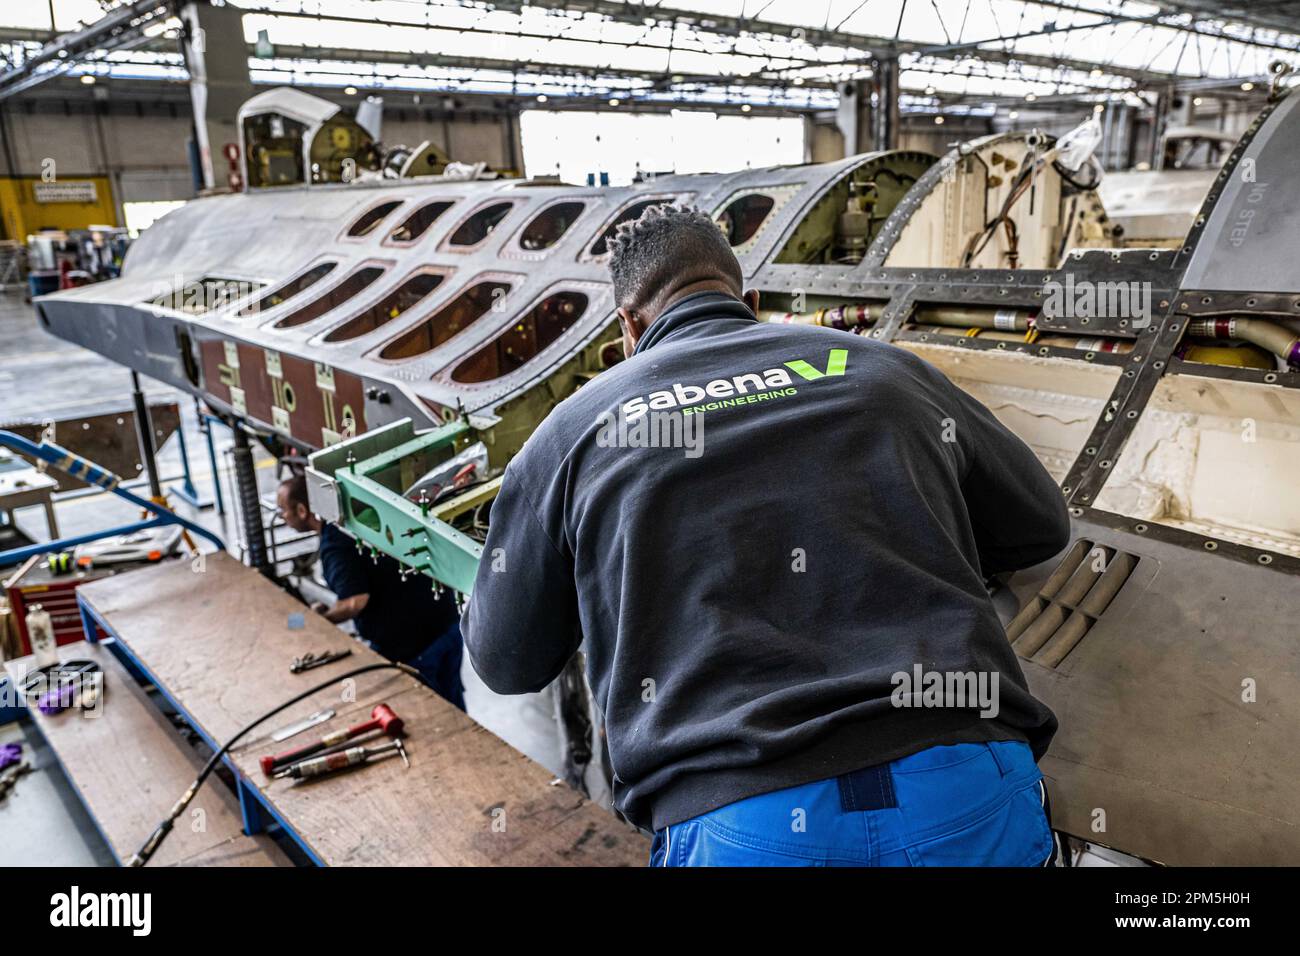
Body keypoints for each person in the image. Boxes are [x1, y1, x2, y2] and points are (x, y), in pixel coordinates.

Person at [460, 204, 1070, 866]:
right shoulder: (883, 370)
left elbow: (505, 659)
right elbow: (1041, 527)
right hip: (963, 781)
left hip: (746, 821)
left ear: (628, 327)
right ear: (748, 299)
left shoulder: (574, 430)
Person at [277, 474, 465, 711]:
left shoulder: (334, 545)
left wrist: (322, 619)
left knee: (428, 712)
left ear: (303, 510)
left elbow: (355, 602)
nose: (282, 517)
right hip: (447, 624)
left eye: (283, 510)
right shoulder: (361, 515)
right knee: (454, 705)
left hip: (413, 647)